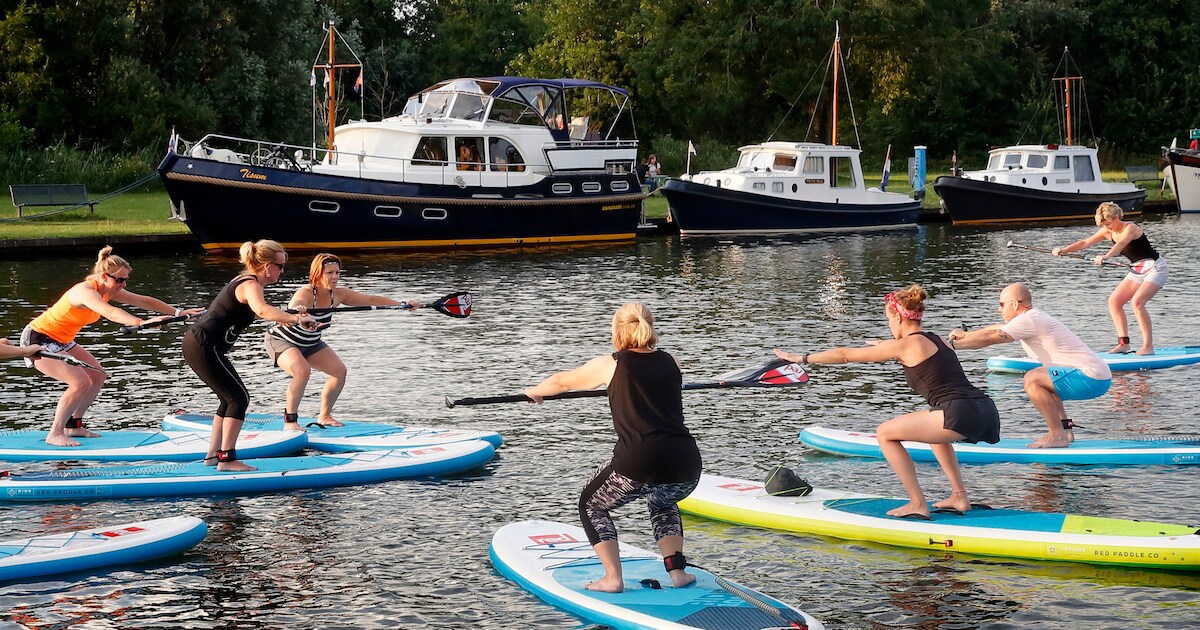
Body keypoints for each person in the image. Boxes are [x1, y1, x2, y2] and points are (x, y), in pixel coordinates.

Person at [775, 285, 1000, 519]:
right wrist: (886, 346)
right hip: (984, 409)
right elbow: (917, 354)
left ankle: (917, 503)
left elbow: (844, 355)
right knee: (933, 433)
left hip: (959, 412)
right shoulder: (937, 339)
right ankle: (959, 496)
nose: (890, 326)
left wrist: (802, 358)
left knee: (885, 433)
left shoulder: (905, 345)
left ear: (898, 317)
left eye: (889, 320)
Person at [524, 303, 701, 593]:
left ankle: (612, 579)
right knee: (662, 501)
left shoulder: (612, 363)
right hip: (687, 464)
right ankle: (677, 573)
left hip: (639, 462)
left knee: (590, 504)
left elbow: (560, 382)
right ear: (650, 327)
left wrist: (534, 392)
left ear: (617, 330)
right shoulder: (673, 361)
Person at [21, 246, 202, 447]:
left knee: (97, 375)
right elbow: (110, 313)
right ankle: (54, 433)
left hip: (62, 339)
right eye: (119, 280)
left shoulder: (108, 290)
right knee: (79, 382)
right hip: (38, 338)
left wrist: (178, 312)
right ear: (103, 277)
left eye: (125, 280)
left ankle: (73, 425)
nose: (123, 284)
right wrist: (140, 323)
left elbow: (142, 300)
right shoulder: (85, 292)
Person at [183, 240, 316, 471]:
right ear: (266, 266)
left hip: (200, 344)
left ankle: (213, 456)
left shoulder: (248, 282)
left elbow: (264, 308)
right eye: (280, 266)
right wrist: (296, 320)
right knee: (239, 398)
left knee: (229, 398)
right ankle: (227, 459)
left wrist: (292, 313)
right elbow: (262, 310)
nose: (282, 271)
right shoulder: (250, 283)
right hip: (204, 344)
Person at [948, 282, 1111, 448]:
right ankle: (1065, 431)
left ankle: (1057, 435)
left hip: (1091, 377)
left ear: (1015, 304)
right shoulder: (1032, 318)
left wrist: (952, 345)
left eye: (1001, 305)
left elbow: (991, 337)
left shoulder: (1029, 319)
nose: (999, 310)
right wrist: (965, 336)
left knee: (1032, 379)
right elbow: (997, 329)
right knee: (1047, 381)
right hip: (1097, 377)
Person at [266, 253, 419, 430]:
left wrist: (401, 304)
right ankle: (290, 422)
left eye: (337, 272)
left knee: (339, 372)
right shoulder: (306, 293)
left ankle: (324, 416)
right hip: (282, 340)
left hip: (310, 343)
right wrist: (300, 311)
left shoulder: (339, 294)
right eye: (329, 273)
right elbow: (296, 304)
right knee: (302, 371)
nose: (335, 277)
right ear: (317, 273)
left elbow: (369, 300)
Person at [1051, 201, 1167, 355]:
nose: (1107, 227)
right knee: (1114, 301)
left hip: (1155, 268)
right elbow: (1085, 242)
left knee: (1137, 302)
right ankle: (1124, 344)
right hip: (1137, 268)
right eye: (1104, 224)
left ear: (1117, 216)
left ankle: (1148, 347)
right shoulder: (1107, 230)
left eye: (1109, 223)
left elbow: (1121, 244)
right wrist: (1064, 250)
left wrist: (1106, 256)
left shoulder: (1130, 228)